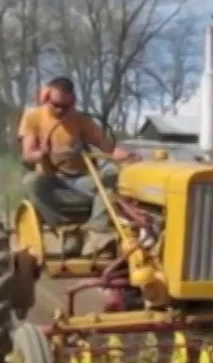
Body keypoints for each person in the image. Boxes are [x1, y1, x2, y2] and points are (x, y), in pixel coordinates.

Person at [18, 76, 140, 256]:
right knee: (31, 181)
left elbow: (108, 147)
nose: (61, 110)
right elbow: (27, 155)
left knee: (111, 177)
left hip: (81, 179)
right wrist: (41, 153)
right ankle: (68, 230)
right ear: (45, 98)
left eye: (66, 106)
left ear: (73, 101)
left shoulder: (80, 119)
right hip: (52, 179)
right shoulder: (33, 117)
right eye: (56, 105)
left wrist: (131, 157)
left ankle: (96, 234)